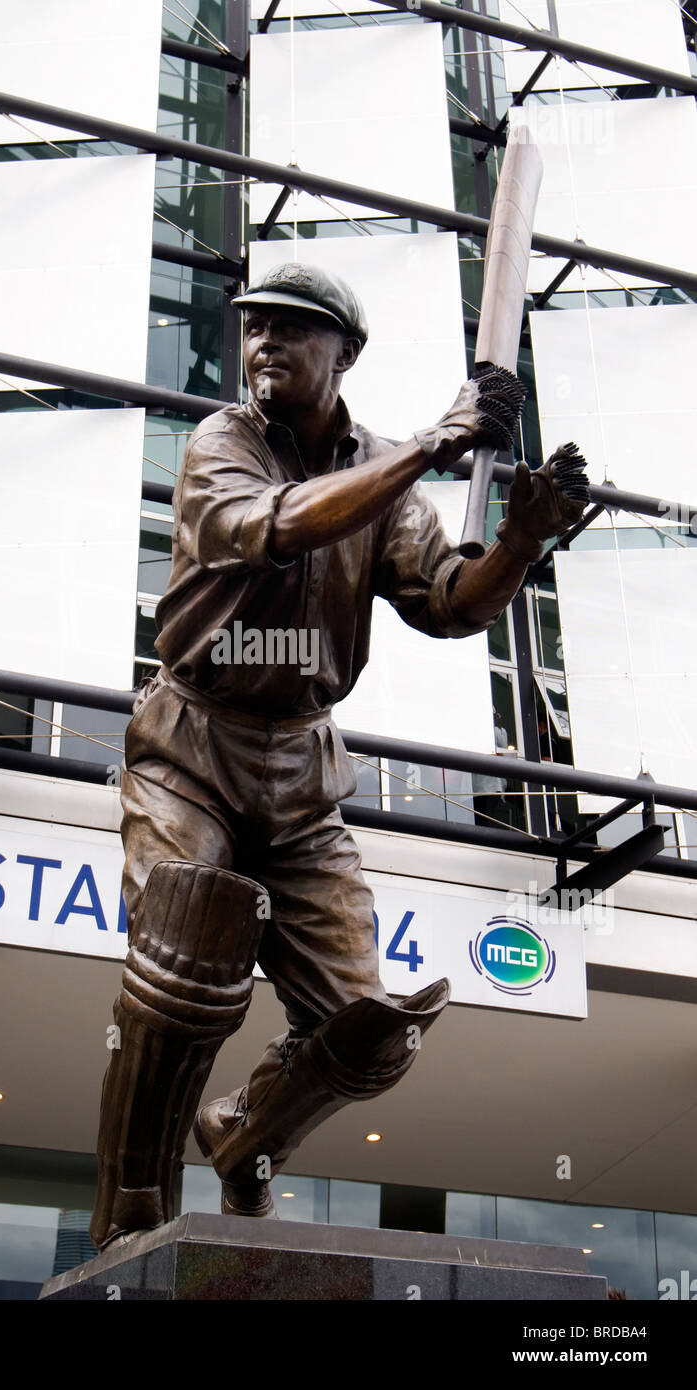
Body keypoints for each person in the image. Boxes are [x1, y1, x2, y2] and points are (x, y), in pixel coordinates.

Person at [89, 263, 589, 1251]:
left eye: (291, 329)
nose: (263, 344)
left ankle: (245, 1133)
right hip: (194, 743)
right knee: (188, 953)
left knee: (370, 1034)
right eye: (254, 327)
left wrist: (519, 544)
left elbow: (448, 602)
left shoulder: (381, 470)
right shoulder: (223, 442)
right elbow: (274, 527)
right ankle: (130, 1202)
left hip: (301, 768)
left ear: (344, 353)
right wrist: (432, 444)